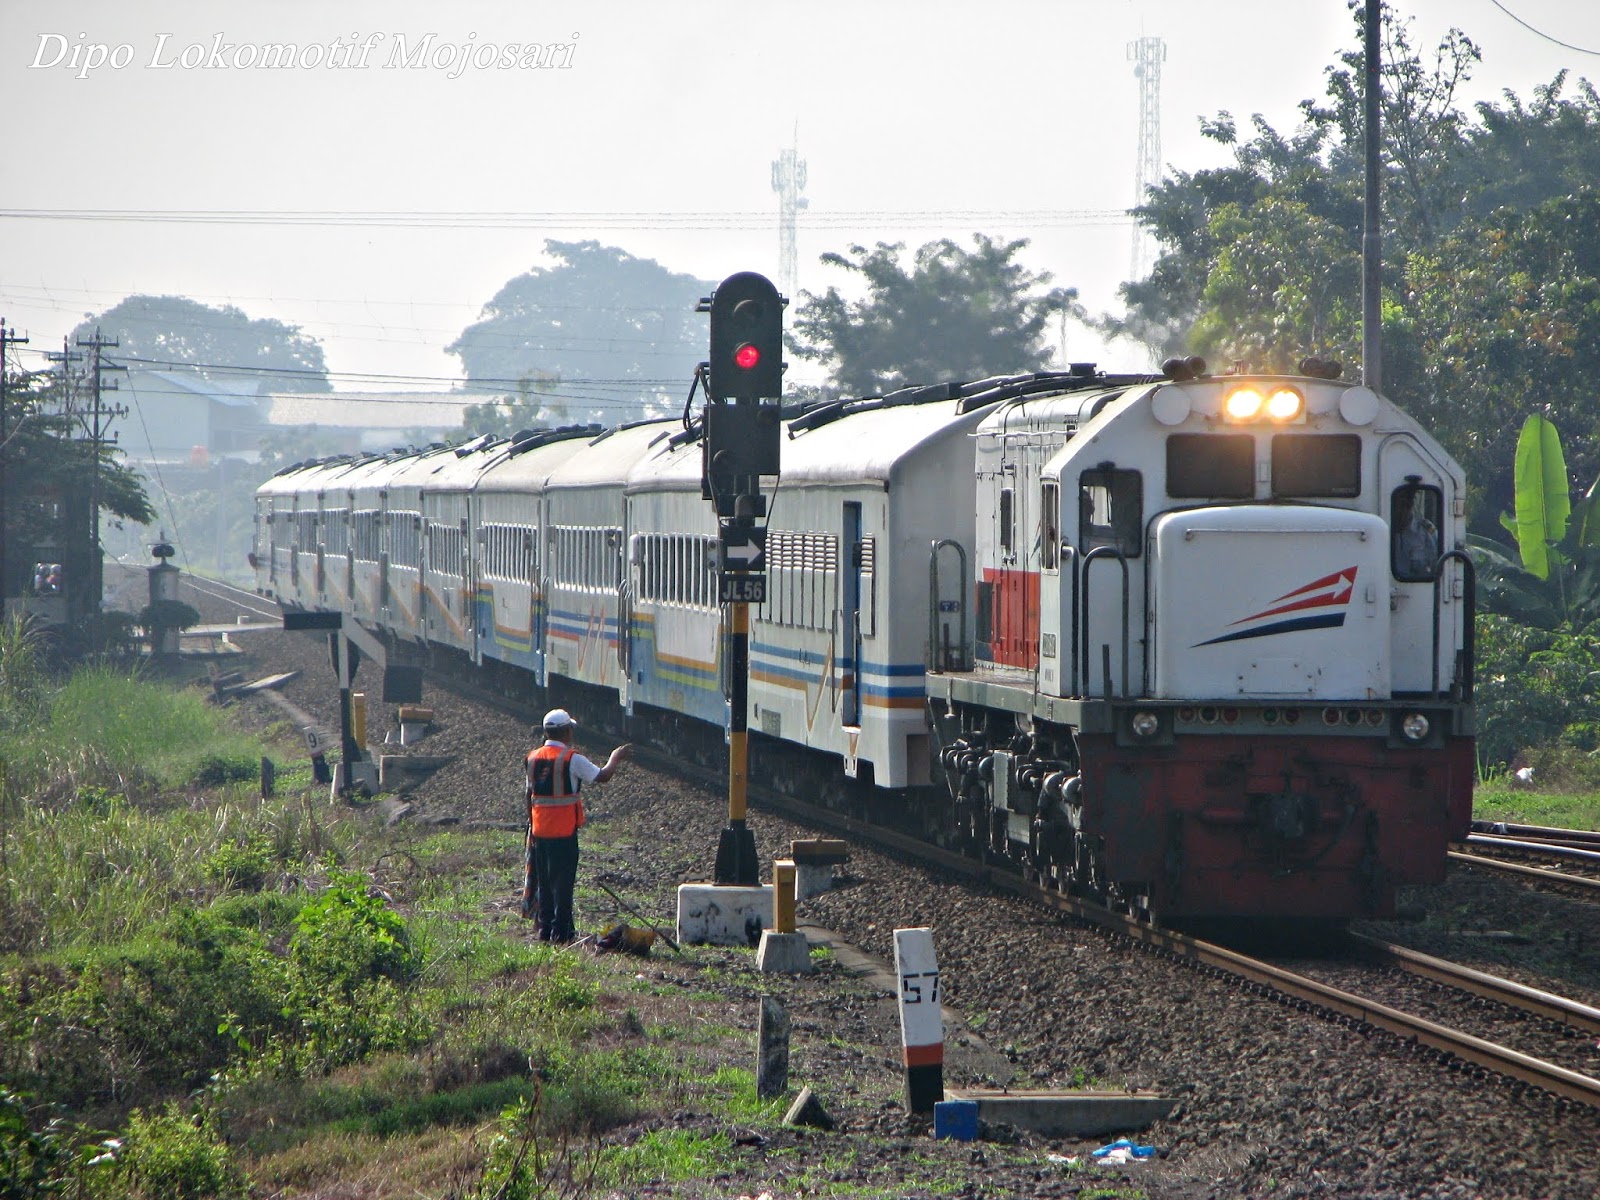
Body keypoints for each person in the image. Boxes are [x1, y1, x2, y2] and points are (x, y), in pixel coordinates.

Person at [523, 707, 631, 943]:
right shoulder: (572, 759)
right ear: (567, 732)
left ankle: (544, 930)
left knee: (545, 881)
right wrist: (615, 758)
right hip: (564, 833)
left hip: (540, 831)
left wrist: (531, 826)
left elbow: (529, 795)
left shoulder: (532, 758)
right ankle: (562, 932)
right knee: (563, 884)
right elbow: (602, 776)